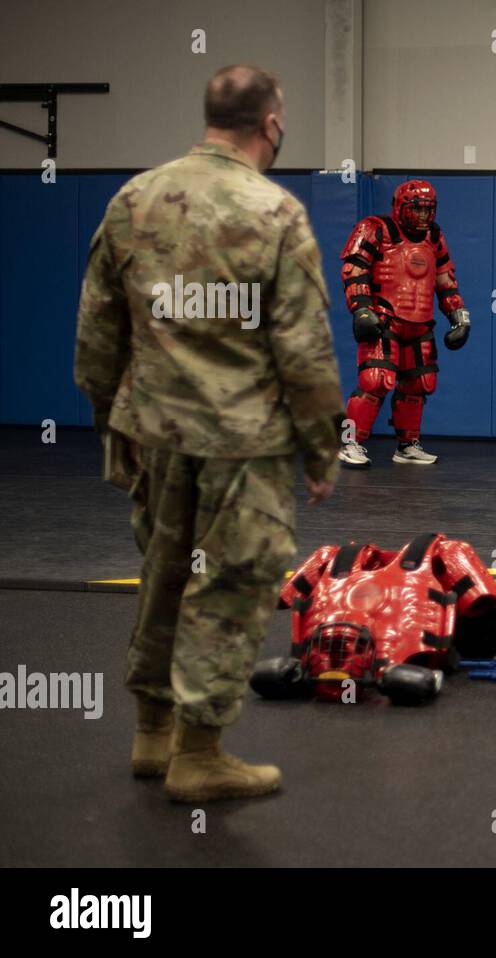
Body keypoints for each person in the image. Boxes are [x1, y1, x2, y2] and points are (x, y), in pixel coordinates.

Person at [73, 64, 344, 801]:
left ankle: (151, 736)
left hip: (154, 432)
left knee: (164, 574)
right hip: (242, 442)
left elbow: (98, 326)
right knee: (228, 585)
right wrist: (323, 450)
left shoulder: (135, 198)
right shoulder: (276, 212)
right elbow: (303, 349)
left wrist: (110, 419)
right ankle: (200, 754)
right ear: (272, 125)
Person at [336, 180, 471, 467]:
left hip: (420, 323)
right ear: (401, 206)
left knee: (420, 383)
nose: (423, 216)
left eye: (428, 210)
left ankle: (407, 445)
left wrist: (459, 316)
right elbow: (353, 270)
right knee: (375, 381)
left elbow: (446, 279)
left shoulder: (434, 237)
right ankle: (351, 443)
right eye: (417, 209)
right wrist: (361, 309)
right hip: (384, 320)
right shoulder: (375, 228)